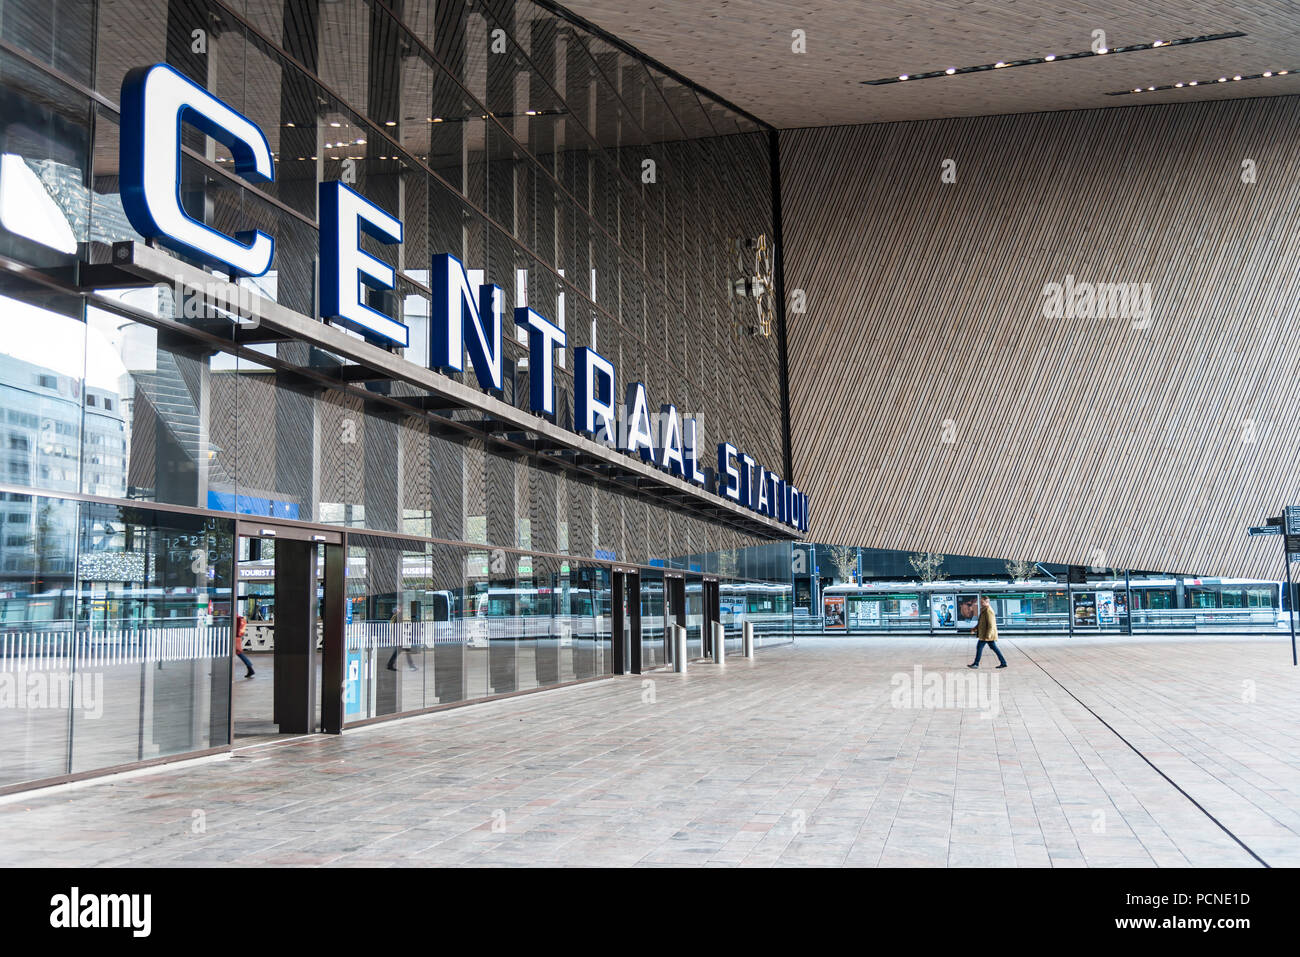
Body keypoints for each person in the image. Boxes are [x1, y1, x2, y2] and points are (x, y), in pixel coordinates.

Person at [967, 596, 1007, 669]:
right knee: (994, 648)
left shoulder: (989, 611)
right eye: (981, 602)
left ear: (987, 602)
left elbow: (991, 625)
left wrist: (988, 635)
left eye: (982, 602)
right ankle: (1003, 662)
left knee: (979, 647)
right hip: (985, 634)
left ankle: (976, 664)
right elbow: (981, 623)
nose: (981, 603)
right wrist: (974, 629)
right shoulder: (984, 610)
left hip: (986, 635)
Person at [235, 614, 255, 678]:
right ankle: (250, 668)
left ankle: (250, 668)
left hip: (235, 638)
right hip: (238, 637)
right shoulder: (239, 617)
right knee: (239, 653)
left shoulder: (235, 617)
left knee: (239, 653)